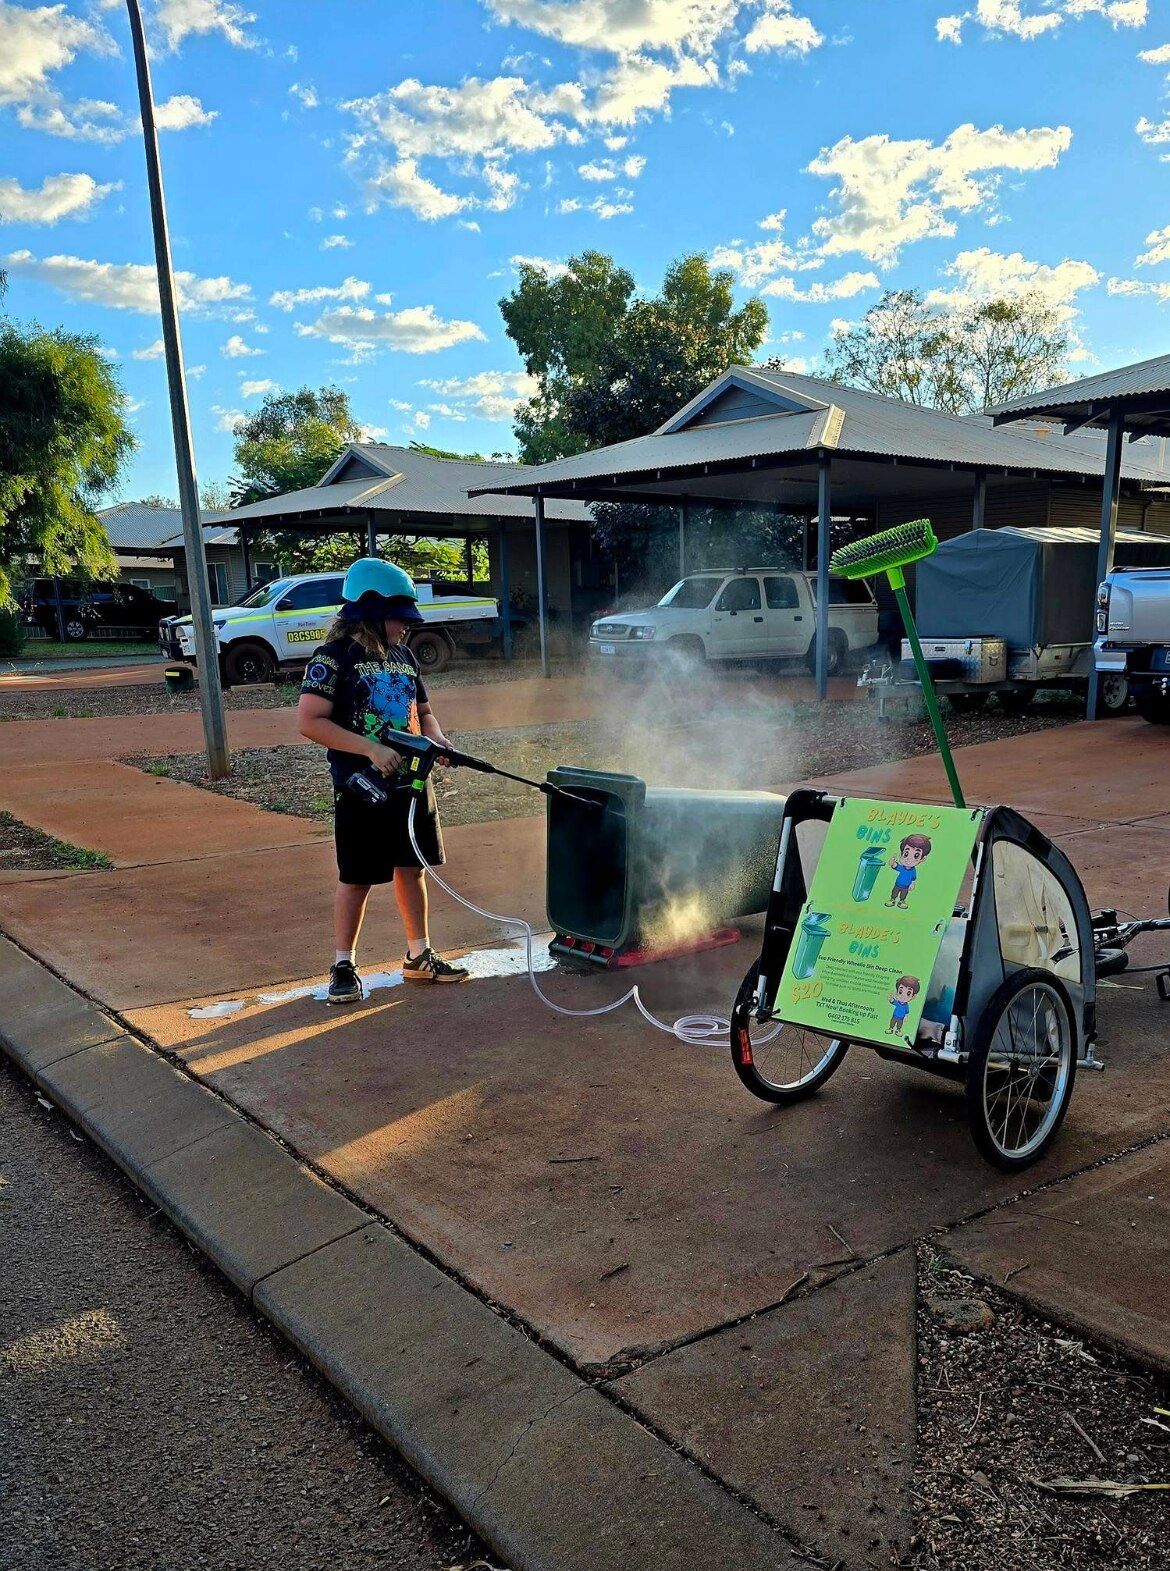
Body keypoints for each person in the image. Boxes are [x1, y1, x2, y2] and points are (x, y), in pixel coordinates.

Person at [297, 558, 469, 1002]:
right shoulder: (333, 658)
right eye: (399, 617)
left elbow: (423, 712)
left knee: (412, 869)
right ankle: (343, 964)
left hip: (412, 784)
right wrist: (371, 749)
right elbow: (310, 721)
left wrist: (437, 741)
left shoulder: (404, 657)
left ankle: (418, 955)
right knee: (356, 877)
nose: (406, 626)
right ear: (371, 612)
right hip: (363, 788)